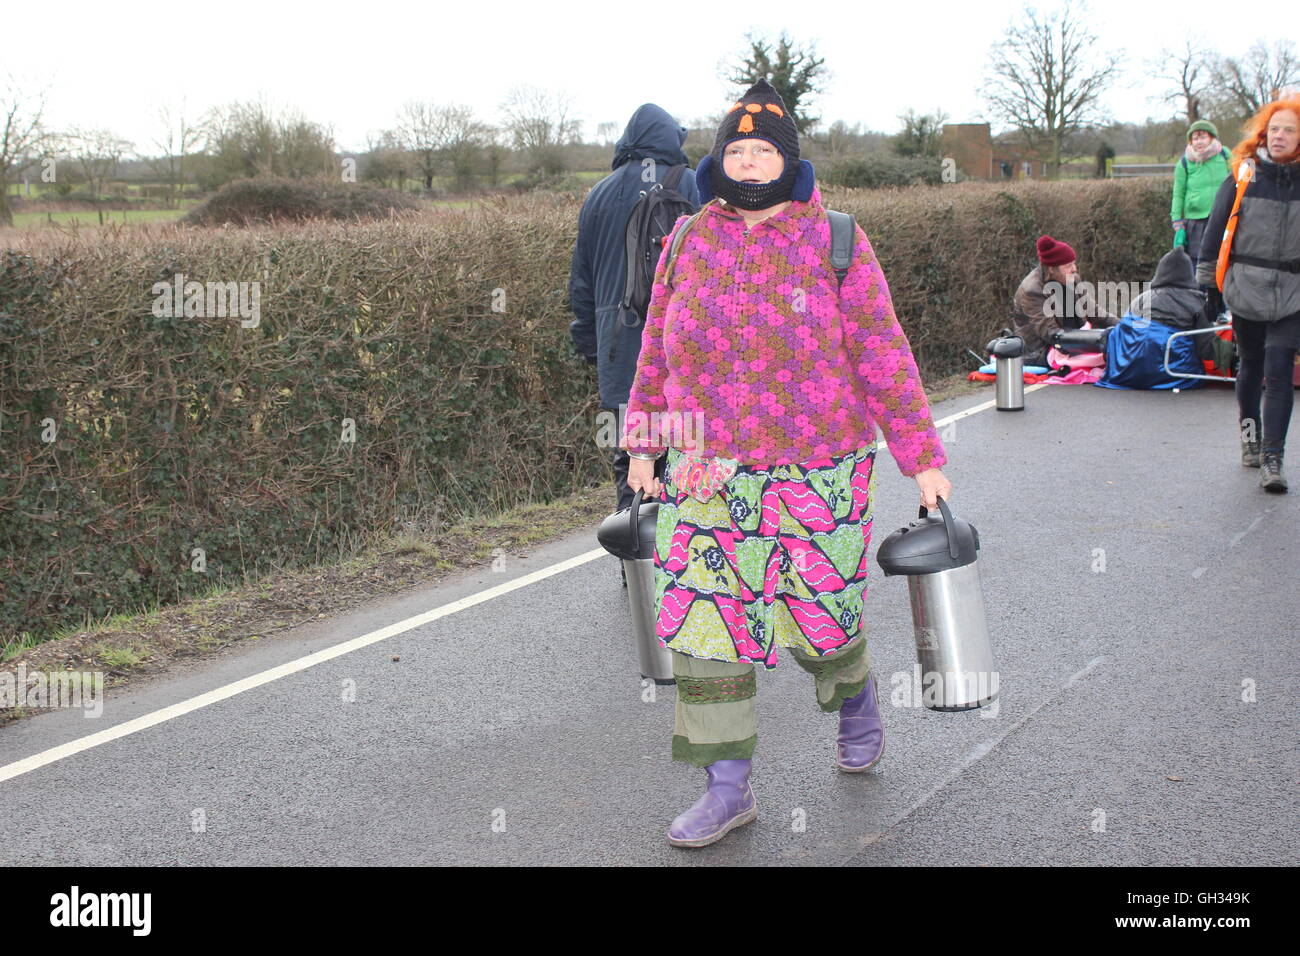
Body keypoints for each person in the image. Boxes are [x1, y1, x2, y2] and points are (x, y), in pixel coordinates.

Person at [618, 79, 952, 849]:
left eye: (763, 148)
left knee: (818, 623)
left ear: (789, 158)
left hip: (819, 471)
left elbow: (882, 352)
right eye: (735, 147)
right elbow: (658, 349)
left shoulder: (835, 238)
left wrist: (922, 457)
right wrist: (644, 441)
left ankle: (855, 694)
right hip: (707, 471)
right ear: (717, 158)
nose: (748, 160)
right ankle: (726, 786)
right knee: (706, 626)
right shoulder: (689, 239)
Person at [568, 103, 701, 522]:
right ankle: (688, 564)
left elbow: (581, 282)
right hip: (684, 350)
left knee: (632, 466)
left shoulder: (598, 195)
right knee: (687, 460)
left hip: (619, 353)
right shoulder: (694, 186)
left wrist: (591, 345)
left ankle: (637, 567)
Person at [1197, 96, 1300, 492]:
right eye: (1274, 129)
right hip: (1246, 285)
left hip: (1292, 291)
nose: (1279, 136)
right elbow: (1215, 228)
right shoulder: (1245, 174)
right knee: (1251, 366)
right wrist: (1208, 285)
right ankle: (1249, 438)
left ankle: (1273, 459)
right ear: (1264, 133)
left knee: (1279, 372)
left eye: (1289, 130)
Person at [1096, 247, 1207, 390]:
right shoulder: (1196, 302)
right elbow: (1206, 348)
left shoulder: (1141, 298)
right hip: (1173, 375)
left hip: (1124, 373)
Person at [1011, 235, 1119, 368]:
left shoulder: (1072, 279)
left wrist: (1124, 326)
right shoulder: (1032, 290)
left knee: (1115, 347)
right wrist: (1094, 341)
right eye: (1068, 266)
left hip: (1068, 340)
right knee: (1106, 354)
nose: (1075, 269)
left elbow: (1093, 311)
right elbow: (1051, 333)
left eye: (1074, 263)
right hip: (1039, 351)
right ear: (1052, 269)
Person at [1172, 119, 1232, 327]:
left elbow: (1243, 178)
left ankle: (1222, 310)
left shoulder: (1225, 155)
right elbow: (1178, 193)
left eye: (1203, 136)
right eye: (1195, 137)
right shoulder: (1185, 163)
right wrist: (1177, 223)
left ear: (1212, 138)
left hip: (1222, 220)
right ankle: (1200, 312)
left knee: (1222, 263)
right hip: (1195, 221)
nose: (1199, 141)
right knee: (1198, 266)